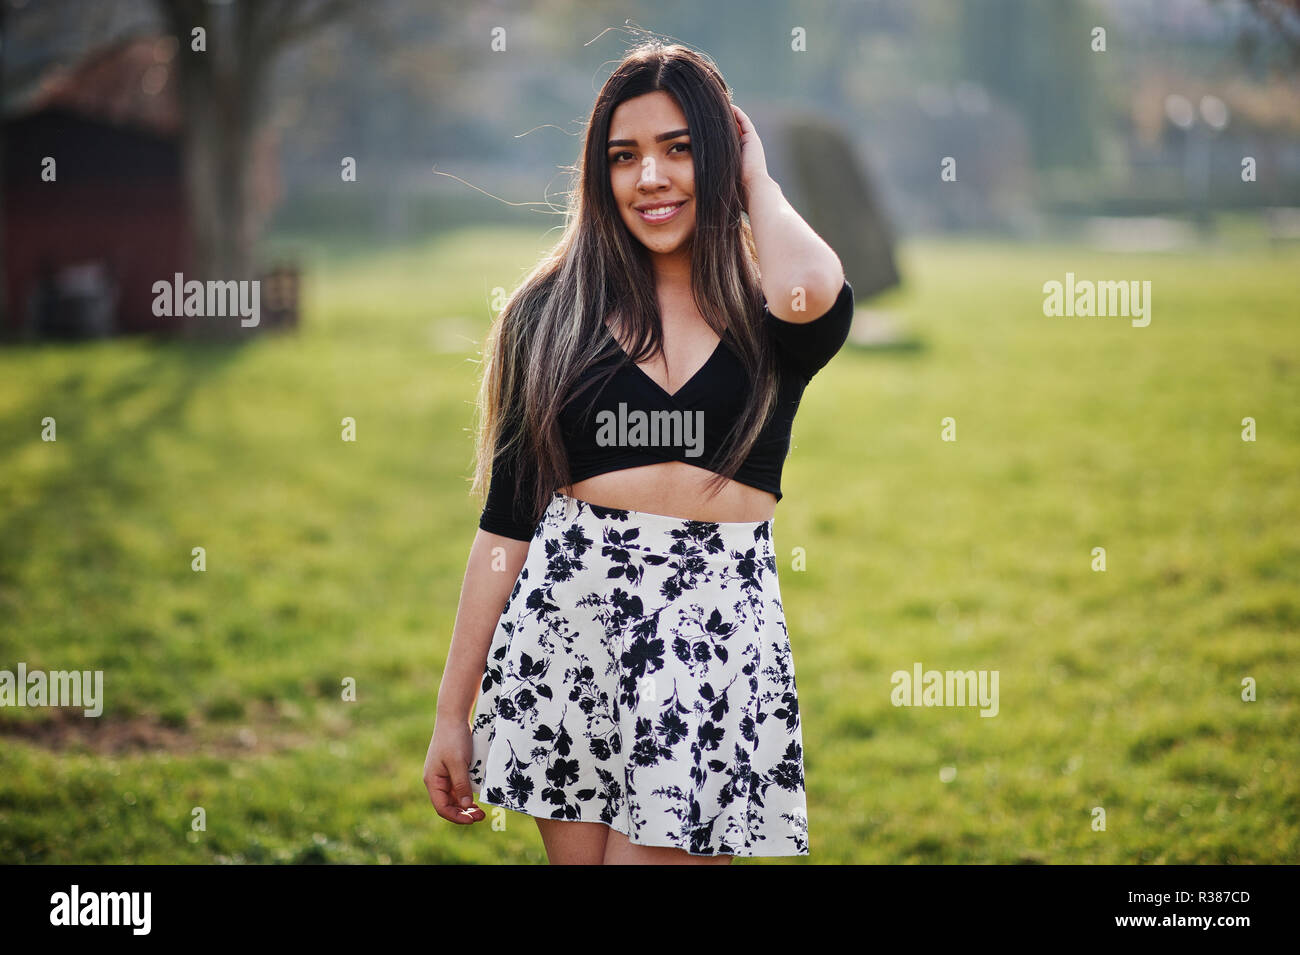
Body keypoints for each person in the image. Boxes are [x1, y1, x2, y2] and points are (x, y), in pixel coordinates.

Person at [423, 39, 854, 865]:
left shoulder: (770, 313)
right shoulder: (549, 315)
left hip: (712, 646)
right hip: (568, 638)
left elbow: (816, 290)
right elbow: (505, 526)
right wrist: (453, 711)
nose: (650, 177)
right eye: (625, 157)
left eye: (680, 149)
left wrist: (755, 178)